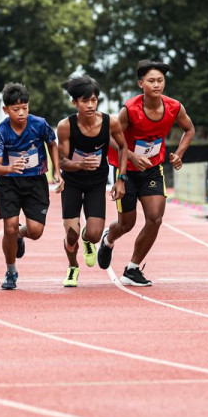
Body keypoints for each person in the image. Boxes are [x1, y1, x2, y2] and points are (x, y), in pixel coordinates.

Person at [98, 59, 195, 287]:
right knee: (126, 224)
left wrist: (179, 153)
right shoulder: (130, 109)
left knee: (155, 218)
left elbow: (189, 129)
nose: (156, 85)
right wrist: (132, 156)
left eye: (160, 80)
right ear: (141, 83)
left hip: (152, 169)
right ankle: (108, 239)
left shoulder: (174, 107)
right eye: (151, 81)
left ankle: (132, 268)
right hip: (126, 170)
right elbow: (110, 137)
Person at [56, 75, 128, 288]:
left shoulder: (110, 122)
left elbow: (123, 148)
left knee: (95, 234)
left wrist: (121, 179)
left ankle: (88, 242)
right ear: (74, 103)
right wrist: (78, 165)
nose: (90, 105)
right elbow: (61, 161)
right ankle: (72, 267)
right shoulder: (65, 126)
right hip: (72, 182)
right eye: (84, 101)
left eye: (94, 100)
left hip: (97, 181)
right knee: (71, 235)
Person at [0, 82, 61, 290]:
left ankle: (21, 235)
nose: (21, 113)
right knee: (9, 227)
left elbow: (52, 143)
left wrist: (57, 170)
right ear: (6, 110)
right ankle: (11, 271)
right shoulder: (1, 132)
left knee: (36, 231)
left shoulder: (39, 125)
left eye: (25, 108)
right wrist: (10, 167)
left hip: (36, 181)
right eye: (15, 109)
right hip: (9, 183)